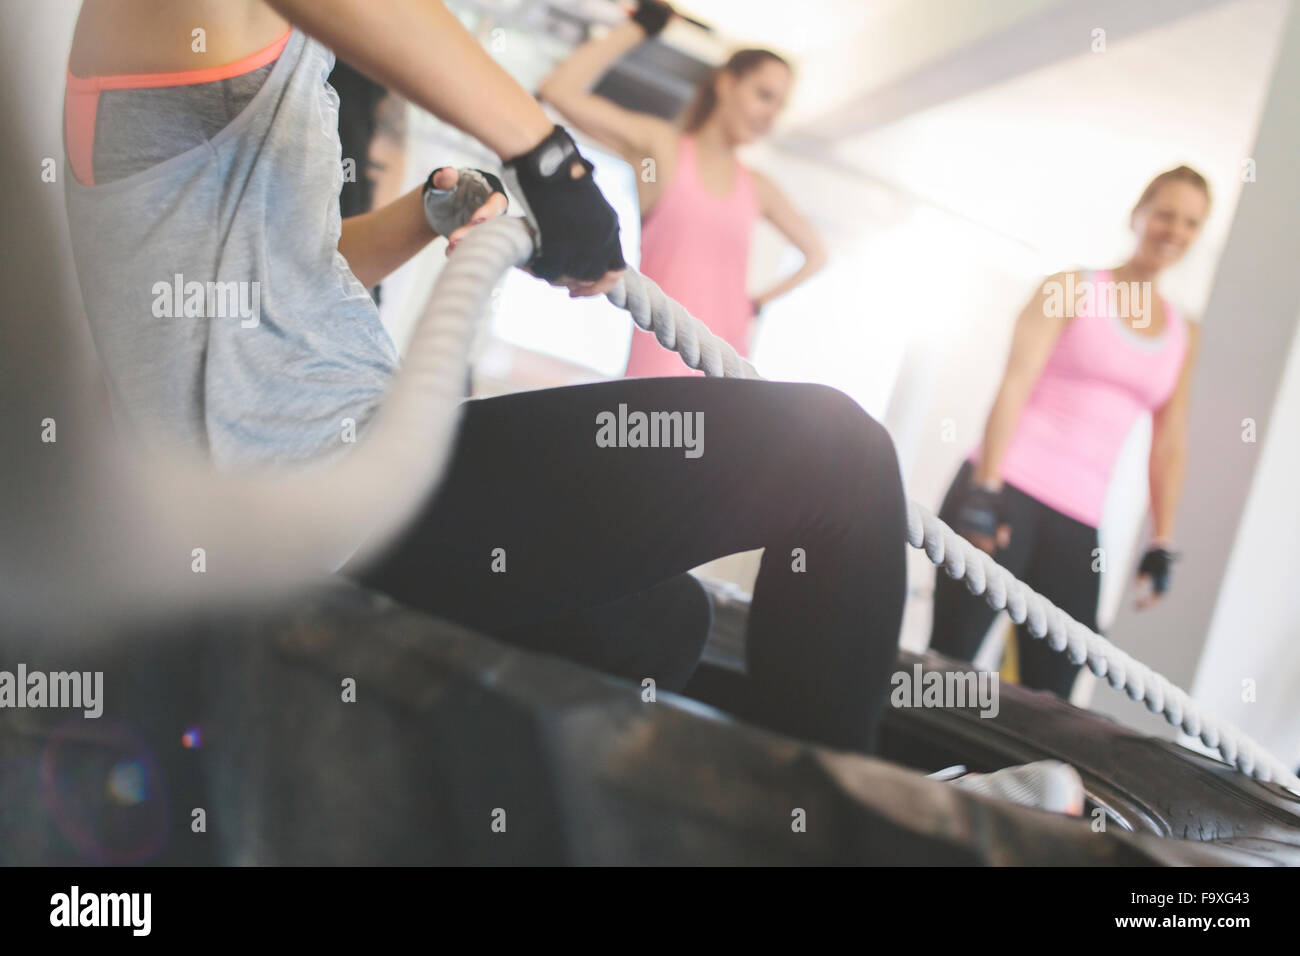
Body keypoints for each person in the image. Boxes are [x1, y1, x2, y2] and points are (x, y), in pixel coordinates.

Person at [63, 0, 904, 757]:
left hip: (358, 462)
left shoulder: (260, 68)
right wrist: (548, 159)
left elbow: (298, 272)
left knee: (657, 621)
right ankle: (840, 827)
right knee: (837, 456)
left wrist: (431, 209)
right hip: (321, 491)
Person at [929, 166, 1208, 699]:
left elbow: (1170, 439)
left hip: (1079, 520)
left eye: (1191, 222)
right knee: (949, 673)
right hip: (1005, 487)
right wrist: (984, 492)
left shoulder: (1183, 332)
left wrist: (1162, 540)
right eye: (1166, 214)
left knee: (1053, 699)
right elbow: (1013, 386)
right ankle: (895, 779)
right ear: (1139, 214)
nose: (1175, 230)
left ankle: (1007, 787)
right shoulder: (1071, 288)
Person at [538, 0, 827, 377]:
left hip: (727, 375)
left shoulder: (758, 187)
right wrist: (641, 26)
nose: (770, 115)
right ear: (725, 84)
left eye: (780, 105)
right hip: (657, 368)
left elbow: (816, 254)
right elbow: (558, 91)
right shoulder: (659, 150)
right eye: (763, 95)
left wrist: (753, 304)